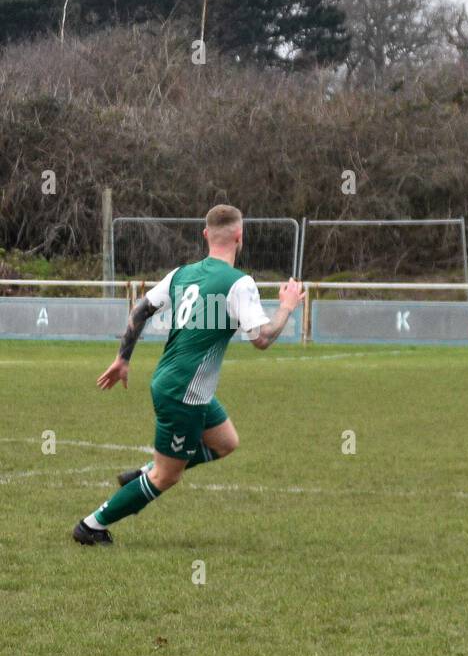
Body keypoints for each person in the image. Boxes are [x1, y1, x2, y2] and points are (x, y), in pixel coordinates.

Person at [73, 205, 302, 545]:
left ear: (206, 235)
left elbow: (141, 309)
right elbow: (262, 338)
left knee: (226, 442)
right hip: (183, 393)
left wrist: (123, 358)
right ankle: (91, 526)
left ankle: (142, 473)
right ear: (240, 237)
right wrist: (287, 305)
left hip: (177, 383)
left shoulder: (181, 274)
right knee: (166, 477)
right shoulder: (239, 283)